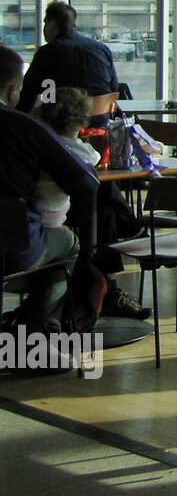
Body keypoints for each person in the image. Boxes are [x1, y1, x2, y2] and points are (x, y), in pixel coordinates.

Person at [0, 46, 98, 332]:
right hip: (15, 248)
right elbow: (85, 183)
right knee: (69, 243)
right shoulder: (26, 127)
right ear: (13, 91)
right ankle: (39, 332)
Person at [16, 2, 119, 124]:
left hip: (62, 126)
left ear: (52, 23)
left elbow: (28, 95)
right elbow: (114, 88)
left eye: (45, 23)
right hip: (100, 123)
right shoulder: (102, 49)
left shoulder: (46, 53)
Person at [33, 87, 100, 227]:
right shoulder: (82, 151)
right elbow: (96, 157)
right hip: (55, 215)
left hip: (32, 209)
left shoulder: (39, 142)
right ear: (83, 121)